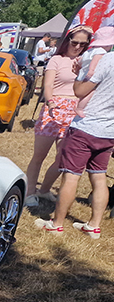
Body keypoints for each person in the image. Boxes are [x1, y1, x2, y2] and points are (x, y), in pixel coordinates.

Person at [36, 49, 114, 237]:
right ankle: (94, 226)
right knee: (99, 177)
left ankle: (57, 224)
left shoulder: (108, 60)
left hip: (87, 126)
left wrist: (80, 71)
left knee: (70, 176)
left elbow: (79, 91)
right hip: (109, 132)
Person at [25, 25, 92, 207]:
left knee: (63, 157)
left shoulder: (86, 61)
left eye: (82, 44)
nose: (78, 47)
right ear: (67, 41)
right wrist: (50, 101)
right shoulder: (56, 59)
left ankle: (45, 189)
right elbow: (48, 85)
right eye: (75, 42)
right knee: (39, 156)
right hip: (54, 108)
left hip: (74, 109)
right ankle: (30, 192)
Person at [74, 26, 114, 118]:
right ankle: (80, 108)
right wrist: (92, 70)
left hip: (82, 74)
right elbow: (95, 61)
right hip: (89, 75)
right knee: (92, 92)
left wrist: (79, 67)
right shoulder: (101, 52)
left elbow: (80, 61)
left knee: (84, 93)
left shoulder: (89, 51)